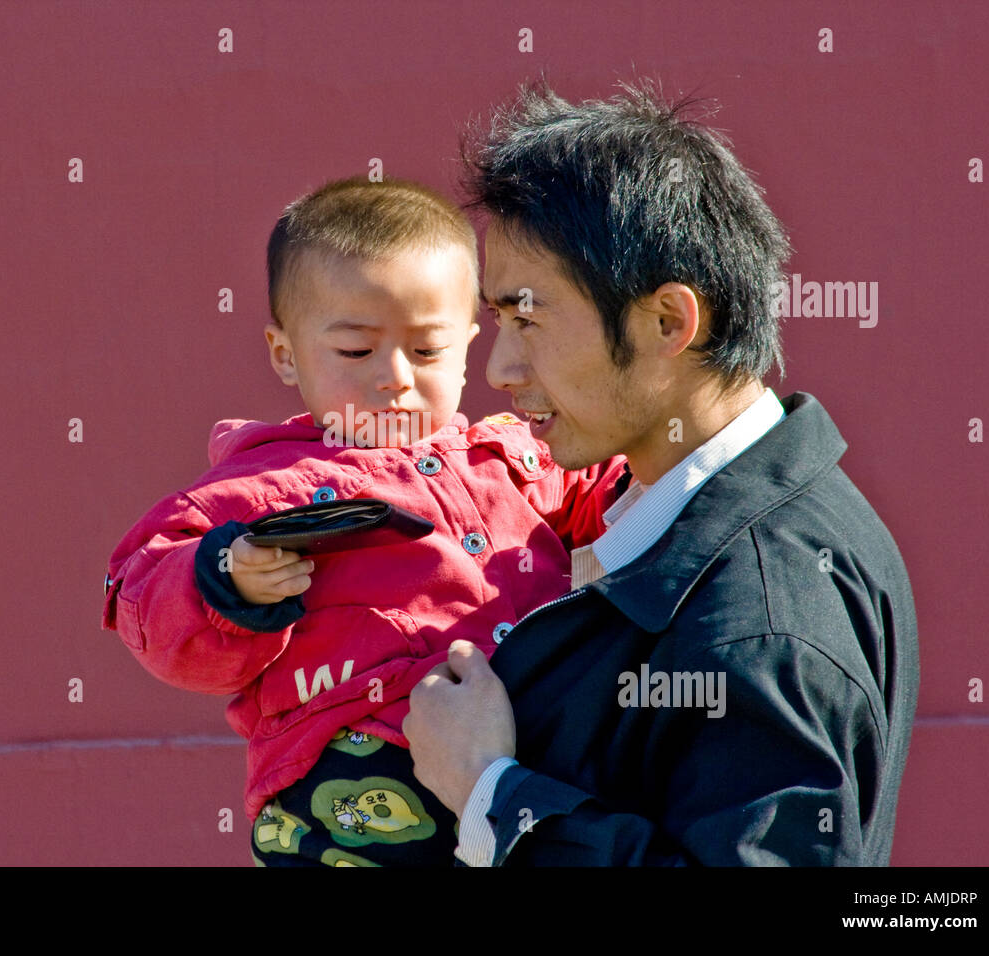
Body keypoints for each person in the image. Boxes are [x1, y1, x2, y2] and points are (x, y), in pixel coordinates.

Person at [404, 80, 920, 866]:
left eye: (531, 317)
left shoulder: (765, 611)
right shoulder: (682, 515)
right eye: (498, 319)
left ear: (669, 321)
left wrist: (495, 796)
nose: (501, 368)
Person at [100, 176, 626, 866]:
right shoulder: (265, 486)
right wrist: (227, 577)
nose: (396, 376)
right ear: (286, 354)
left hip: (533, 755)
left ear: (471, 342)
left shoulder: (516, 454)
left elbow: (619, 491)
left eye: (429, 350)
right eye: (356, 352)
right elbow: (142, 592)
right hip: (357, 771)